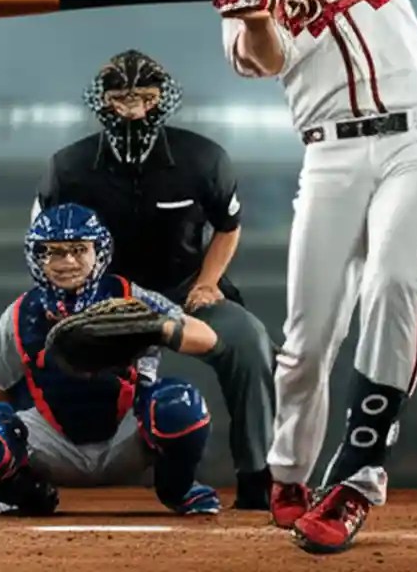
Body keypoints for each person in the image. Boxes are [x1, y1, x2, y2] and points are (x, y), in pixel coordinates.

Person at [196, 0, 417, 553]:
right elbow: (266, 59)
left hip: (416, 142)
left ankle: (356, 480)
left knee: (394, 285)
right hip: (330, 155)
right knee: (308, 340)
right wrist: (257, 12)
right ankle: (289, 473)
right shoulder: (239, 7)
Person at [33, 49, 277, 509]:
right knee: (39, 344)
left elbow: (228, 227)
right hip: (105, 297)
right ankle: (18, 470)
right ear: (102, 101)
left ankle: (257, 477)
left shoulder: (204, 158)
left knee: (251, 343)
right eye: (121, 98)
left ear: (162, 100)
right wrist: (74, 298)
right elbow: (43, 243)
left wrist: (208, 283)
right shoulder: (67, 167)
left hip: (184, 289)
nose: (132, 108)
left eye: (143, 97)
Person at [0, 202, 222, 516]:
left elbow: (207, 338)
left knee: (180, 404)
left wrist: (155, 327)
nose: (67, 261)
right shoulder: (19, 314)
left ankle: (178, 488)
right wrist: (0, 449)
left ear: (99, 252)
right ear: (37, 257)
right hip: (52, 443)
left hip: (126, 437)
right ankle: (25, 495)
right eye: (53, 251)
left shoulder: (131, 297)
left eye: (79, 249)